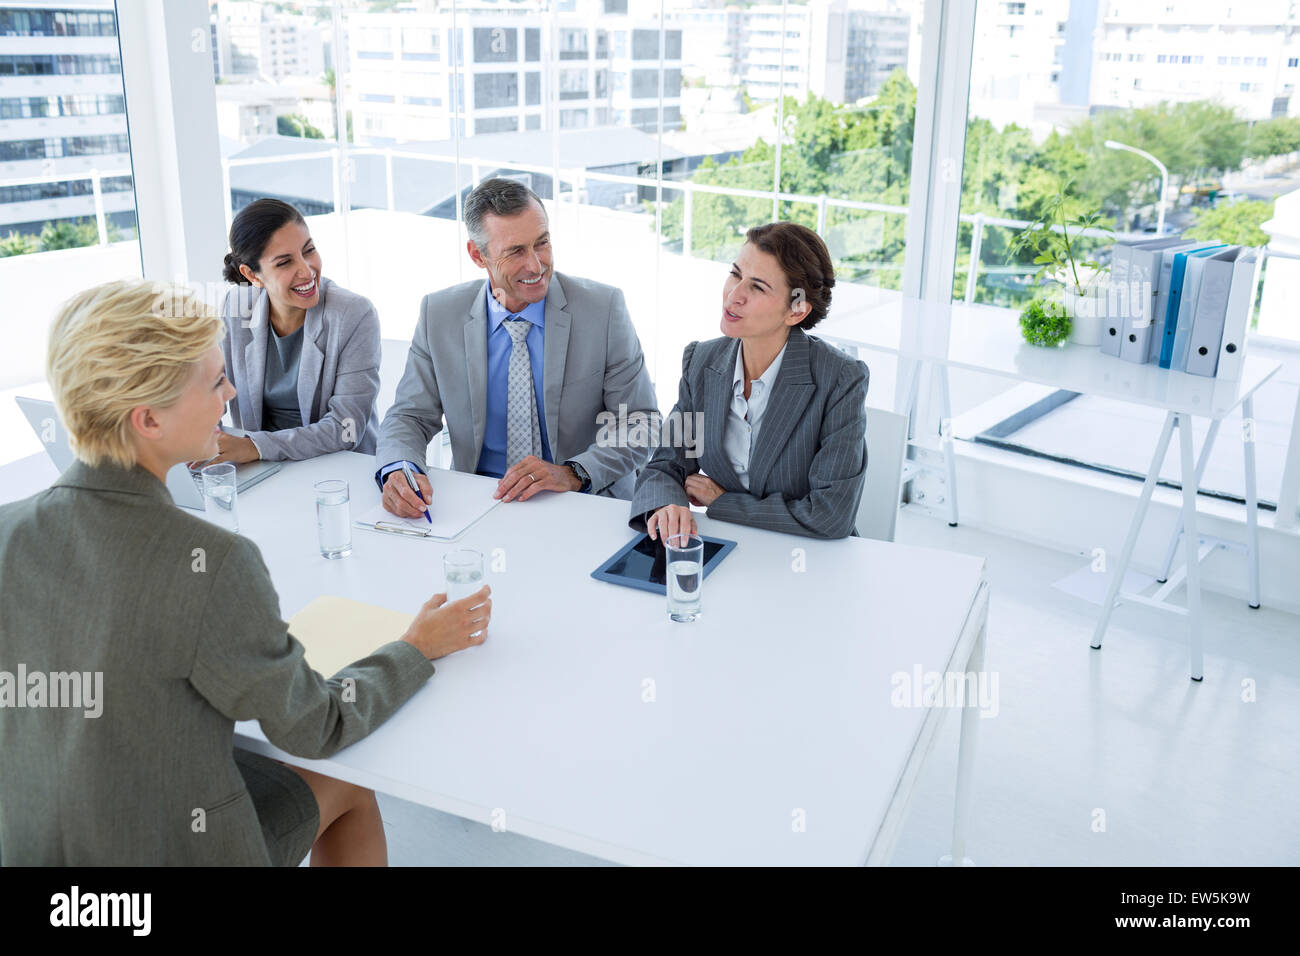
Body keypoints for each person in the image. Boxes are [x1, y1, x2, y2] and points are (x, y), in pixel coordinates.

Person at [0, 279, 491, 866]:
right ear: (148, 420)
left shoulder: (9, 528)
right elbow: (317, 727)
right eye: (214, 382)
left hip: (30, 843)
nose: (229, 393)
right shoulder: (210, 562)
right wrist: (416, 647)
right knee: (350, 783)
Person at [375, 177, 659, 517]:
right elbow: (410, 415)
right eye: (516, 251)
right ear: (478, 255)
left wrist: (573, 473)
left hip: (584, 501)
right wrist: (398, 469)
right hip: (481, 502)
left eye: (542, 243)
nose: (536, 265)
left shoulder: (603, 309)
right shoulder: (439, 314)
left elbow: (641, 422)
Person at [629, 222, 869, 540]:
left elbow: (829, 515)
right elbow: (665, 465)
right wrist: (668, 505)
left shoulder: (839, 380)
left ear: (796, 310)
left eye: (757, 287)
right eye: (735, 274)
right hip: (731, 547)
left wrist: (724, 503)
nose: (734, 294)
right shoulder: (702, 361)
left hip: (809, 559)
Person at [213, 198, 381, 463]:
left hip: (339, 469)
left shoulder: (353, 314)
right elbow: (211, 390)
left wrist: (256, 447)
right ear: (252, 275)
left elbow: (345, 430)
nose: (307, 270)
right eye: (284, 263)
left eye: (309, 250)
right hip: (263, 469)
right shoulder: (237, 307)